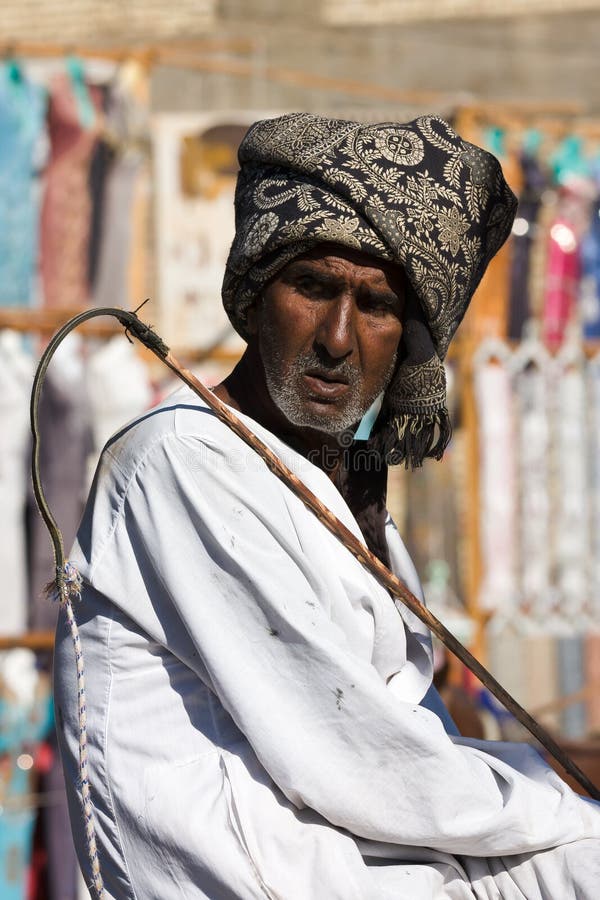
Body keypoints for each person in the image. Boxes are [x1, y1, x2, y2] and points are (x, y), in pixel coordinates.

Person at [55, 114, 600, 899]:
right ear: (255, 295)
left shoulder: (335, 491)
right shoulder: (180, 464)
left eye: (376, 306)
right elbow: (367, 763)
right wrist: (572, 810)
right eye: (312, 287)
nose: (338, 339)